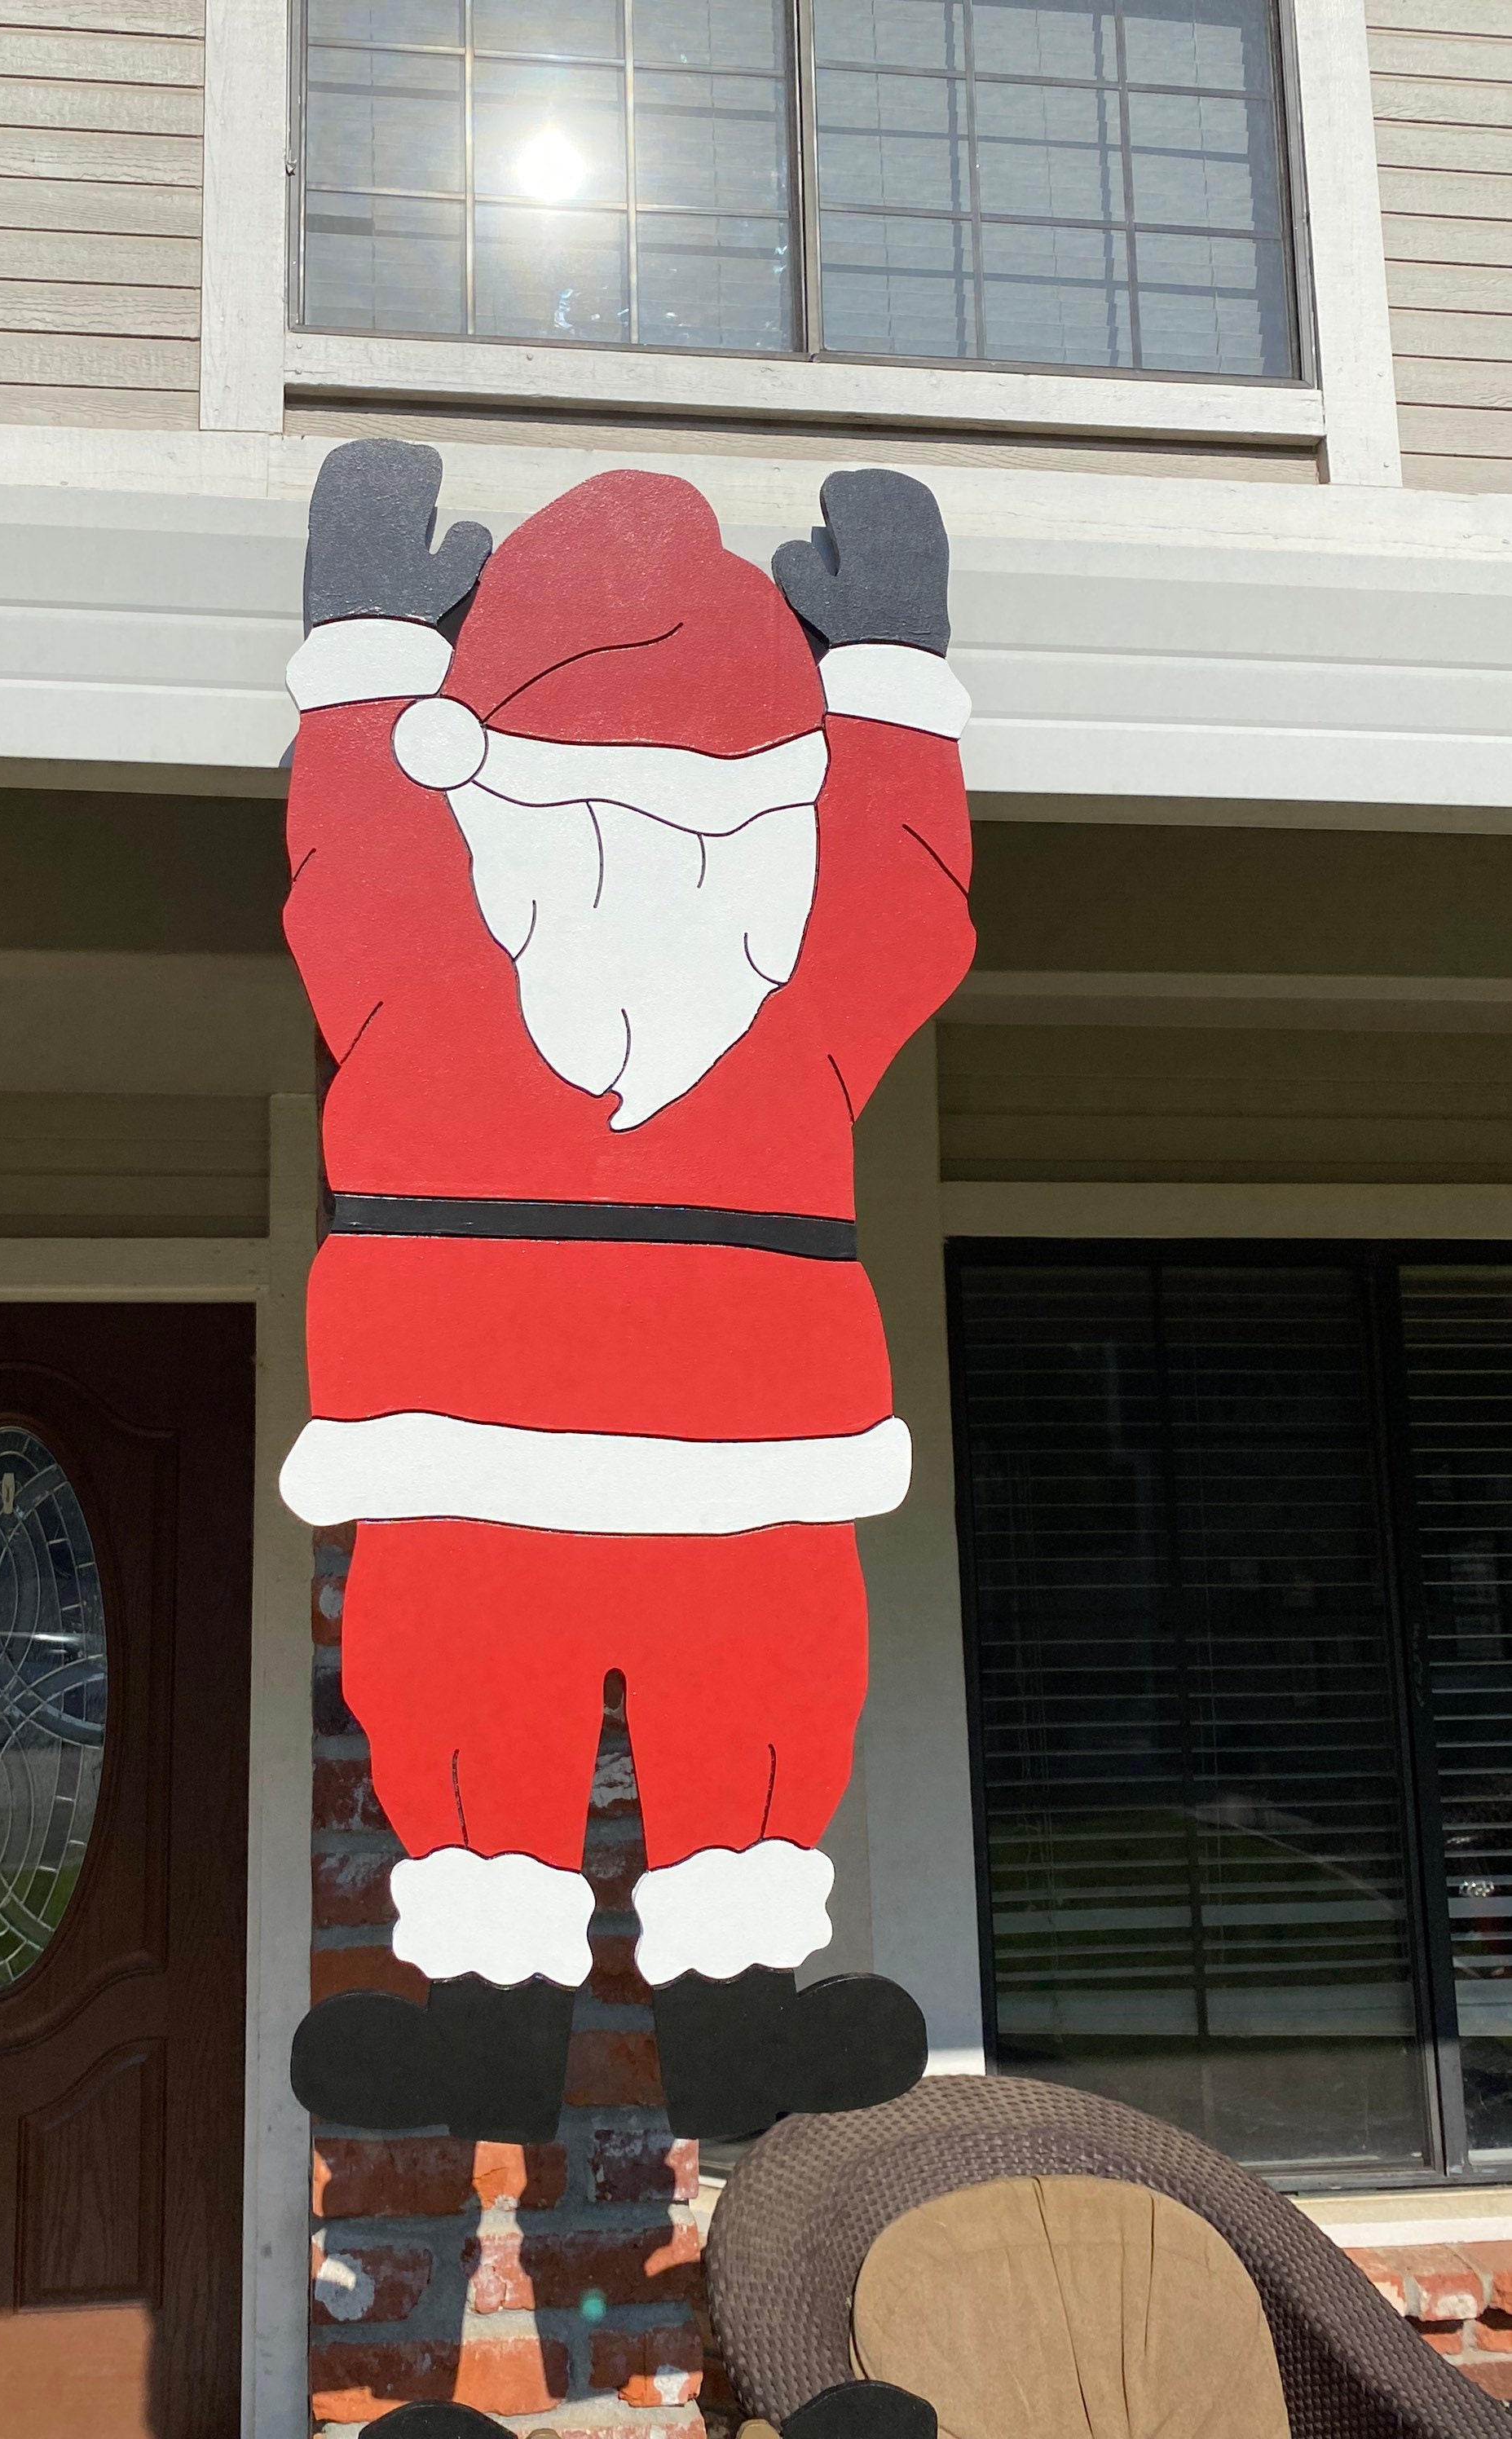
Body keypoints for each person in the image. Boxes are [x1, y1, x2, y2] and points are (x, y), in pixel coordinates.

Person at [280, 439, 975, 2146]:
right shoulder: (426, 963)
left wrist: (890, 683)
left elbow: (898, 902)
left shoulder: (798, 989)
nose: (640, 851)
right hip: (469, 1439)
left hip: (744, 1453)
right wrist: (361, 649)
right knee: (457, 1697)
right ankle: (488, 2031)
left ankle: (734, 2033)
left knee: (758, 1703)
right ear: (496, 801)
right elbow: (358, 850)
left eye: (698, 813)